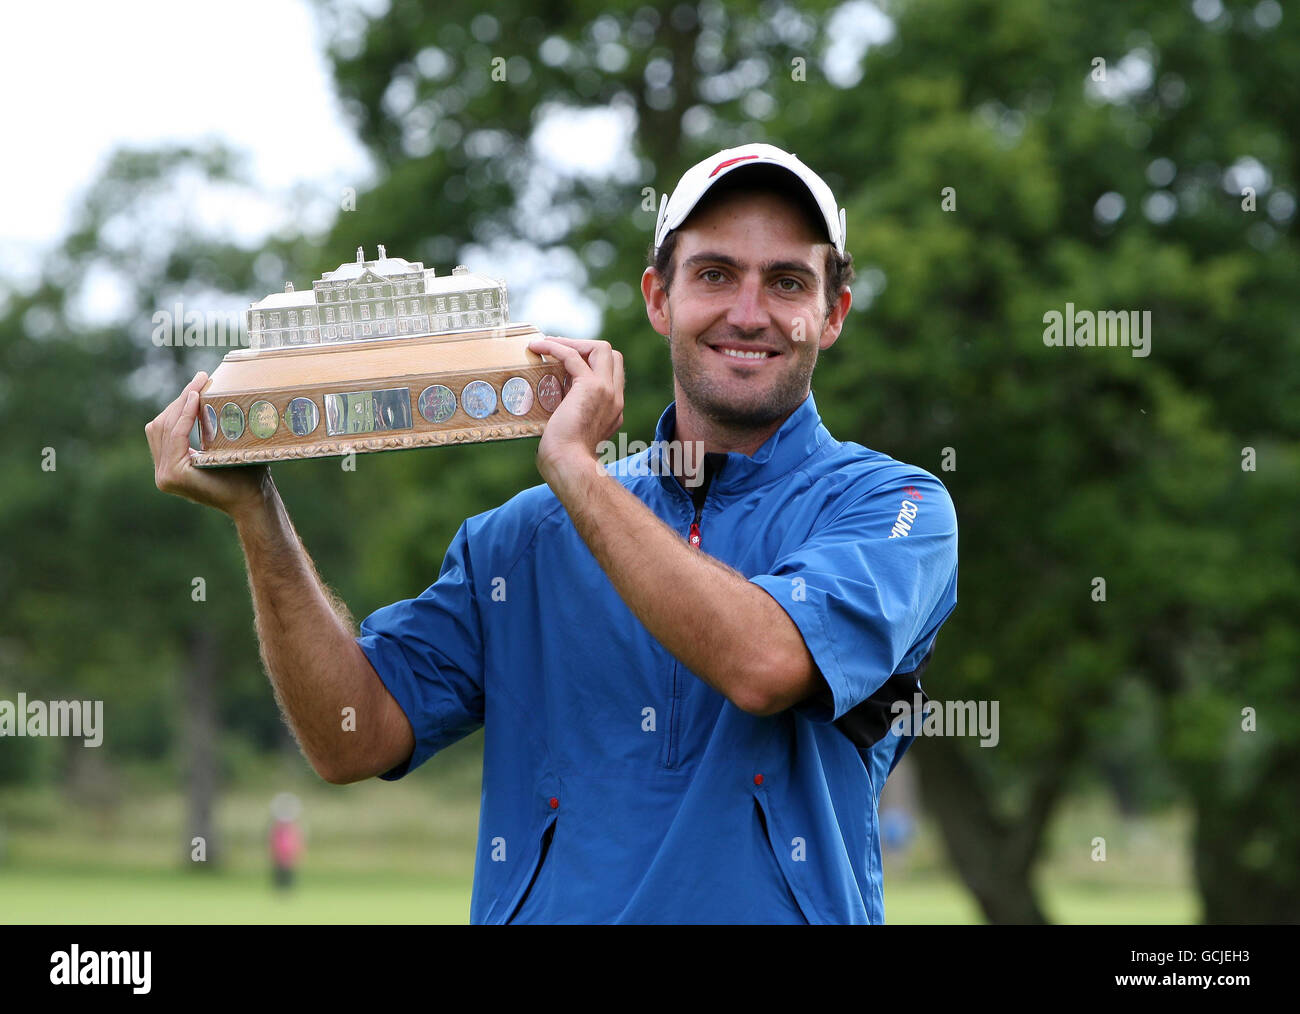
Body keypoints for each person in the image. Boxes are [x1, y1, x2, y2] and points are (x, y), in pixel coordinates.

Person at [145, 143, 958, 924]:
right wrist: (259, 515)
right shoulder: (522, 541)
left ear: (832, 313)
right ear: (658, 298)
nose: (749, 313)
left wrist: (576, 471)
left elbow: (767, 663)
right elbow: (350, 738)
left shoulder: (893, 509)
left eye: (787, 282)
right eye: (714, 274)